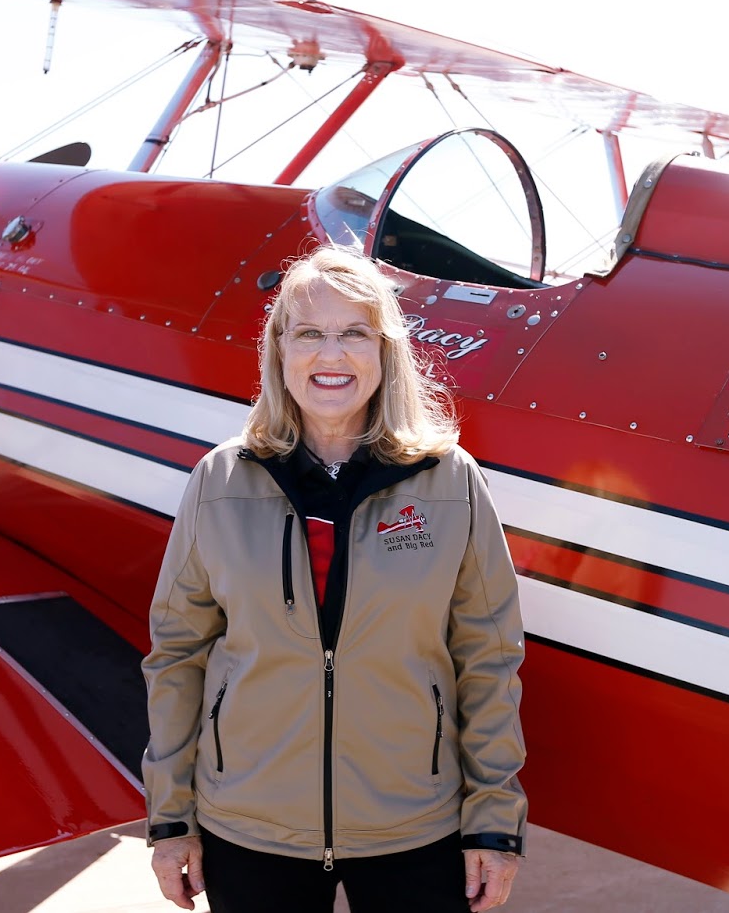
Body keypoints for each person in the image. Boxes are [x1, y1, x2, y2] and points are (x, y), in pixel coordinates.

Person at [142, 245, 526, 912]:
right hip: (252, 829)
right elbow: (177, 654)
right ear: (279, 350)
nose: (331, 355)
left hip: (415, 826)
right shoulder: (220, 481)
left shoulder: (450, 481)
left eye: (354, 333)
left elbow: (489, 660)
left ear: (384, 352)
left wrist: (494, 819)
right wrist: (172, 819)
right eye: (310, 333)